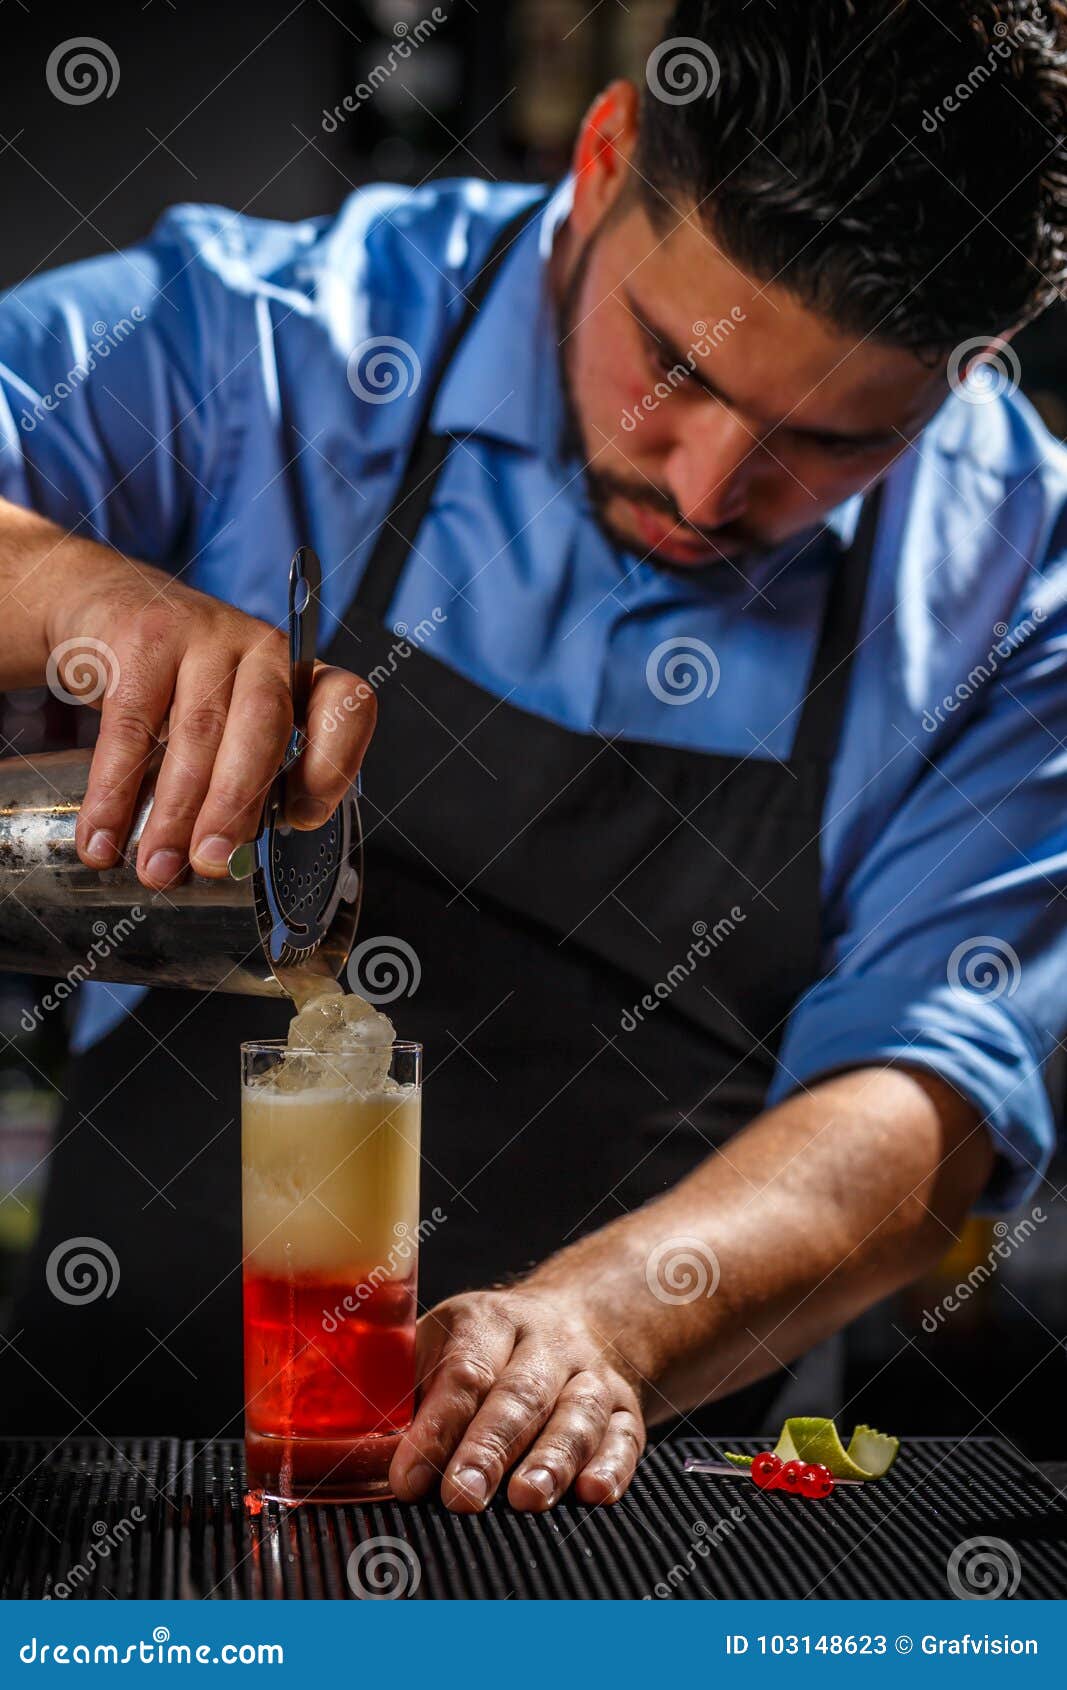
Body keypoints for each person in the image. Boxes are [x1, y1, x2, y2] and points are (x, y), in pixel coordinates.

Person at [0, 0, 1065, 1515]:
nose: (708, 489)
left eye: (831, 444)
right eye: (676, 369)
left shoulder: (1017, 585)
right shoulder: (273, 341)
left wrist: (605, 1322)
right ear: (606, 155)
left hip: (630, 1506)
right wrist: (72, 594)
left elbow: (929, 1096)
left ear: (980, 362)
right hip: (94, 1466)